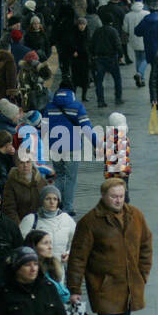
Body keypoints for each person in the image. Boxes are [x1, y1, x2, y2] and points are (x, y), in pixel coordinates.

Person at [66, 178, 152, 315]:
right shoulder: (90, 222)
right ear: (103, 196)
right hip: (104, 289)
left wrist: (142, 274)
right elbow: (78, 257)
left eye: (121, 196)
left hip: (130, 288)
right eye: (114, 196)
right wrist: (74, 288)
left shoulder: (135, 216)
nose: (118, 200)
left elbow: (146, 244)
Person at [43, 81, 94, 217]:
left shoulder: (49, 107)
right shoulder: (77, 106)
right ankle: (68, 207)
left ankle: (55, 203)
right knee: (71, 178)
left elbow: (43, 127)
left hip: (55, 147)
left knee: (59, 176)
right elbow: (86, 127)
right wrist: (97, 144)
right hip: (72, 147)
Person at [18, 185, 77, 262]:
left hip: (60, 268)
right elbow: (21, 245)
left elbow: (76, 242)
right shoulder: (30, 220)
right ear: (42, 201)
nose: (52, 202)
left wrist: (69, 253)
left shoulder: (67, 219)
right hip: (36, 267)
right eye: (48, 199)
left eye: (55, 199)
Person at [90, 9, 124, 108]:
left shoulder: (98, 31)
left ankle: (100, 100)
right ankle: (118, 98)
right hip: (112, 58)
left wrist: (93, 55)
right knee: (117, 79)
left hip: (99, 58)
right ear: (111, 21)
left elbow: (92, 44)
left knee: (99, 81)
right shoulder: (113, 31)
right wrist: (121, 55)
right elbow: (118, 45)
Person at [1, 155, 43, 225]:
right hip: (20, 224)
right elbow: (9, 209)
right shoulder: (10, 183)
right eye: (22, 162)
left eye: (28, 162)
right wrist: (20, 227)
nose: (25, 165)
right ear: (17, 164)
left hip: (39, 224)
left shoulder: (41, 181)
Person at [133, 6, 158, 76]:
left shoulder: (145, 20)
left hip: (148, 47)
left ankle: (141, 74)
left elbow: (137, 32)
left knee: (152, 65)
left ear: (149, 11)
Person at [60, 16, 92, 100]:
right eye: (80, 24)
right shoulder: (73, 33)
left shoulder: (87, 33)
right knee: (75, 78)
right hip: (76, 58)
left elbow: (89, 45)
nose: (82, 26)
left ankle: (84, 96)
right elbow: (69, 44)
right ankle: (73, 94)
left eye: (83, 24)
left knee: (85, 78)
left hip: (85, 58)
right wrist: (73, 51)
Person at [104, 112, 132, 203]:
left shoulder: (107, 137)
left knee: (111, 195)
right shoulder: (122, 139)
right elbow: (122, 156)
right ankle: (123, 212)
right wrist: (122, 170)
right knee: (123, 196)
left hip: (109, 172)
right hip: (120, 174)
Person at [123, 0, 149, 87]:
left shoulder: (128, 15)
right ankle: (140, 74)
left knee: (138, 59)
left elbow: (125, 28)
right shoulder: (146, 14)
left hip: (133, 39)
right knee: (146, 58)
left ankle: (141, 78)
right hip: (145, 39)